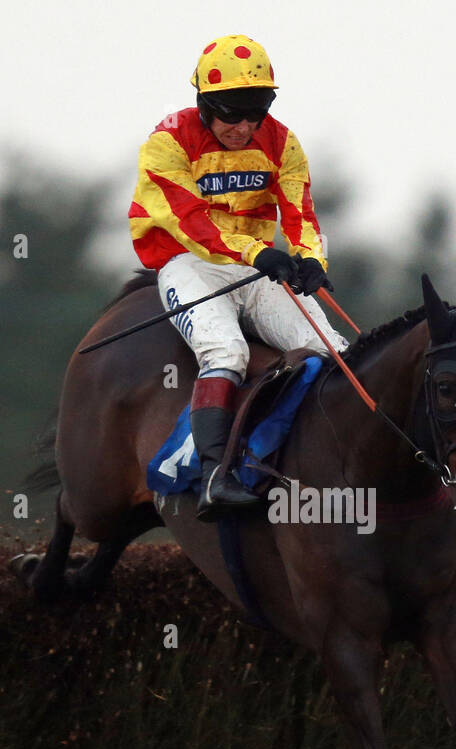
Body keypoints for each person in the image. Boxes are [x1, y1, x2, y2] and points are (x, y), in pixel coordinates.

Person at [129, 33, 349, 520]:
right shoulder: (166, 143)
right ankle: (214, 476)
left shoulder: (283, 143)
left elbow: (300, 212)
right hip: (188, 264)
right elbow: (190, 222)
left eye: (256, 112)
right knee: (227, 351)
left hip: (255, 268)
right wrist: (257, 252)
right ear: (205, 104)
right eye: (231, 113)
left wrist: (312, 259)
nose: (244, 126)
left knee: (332, 349)